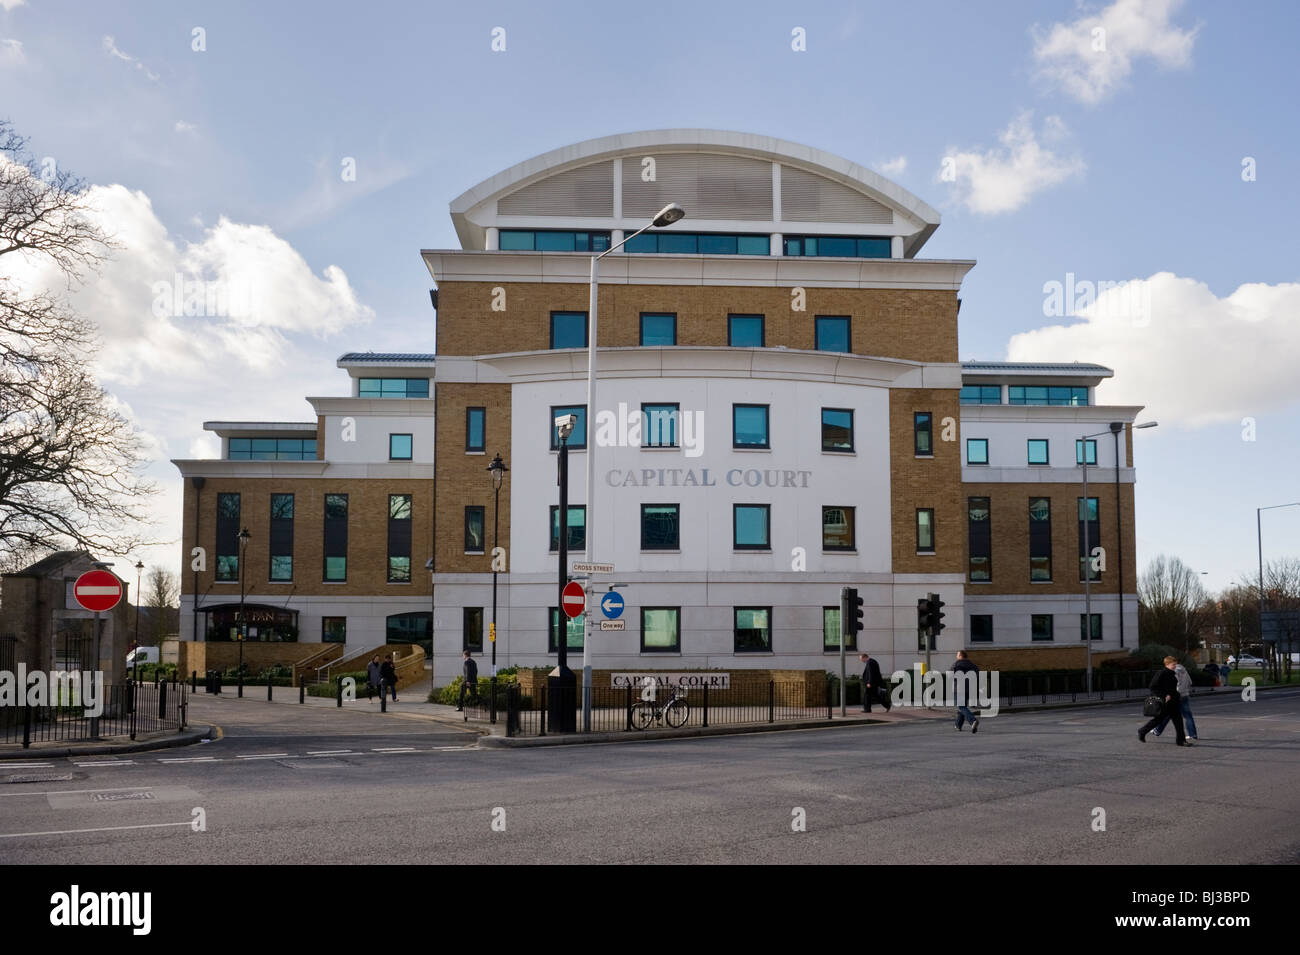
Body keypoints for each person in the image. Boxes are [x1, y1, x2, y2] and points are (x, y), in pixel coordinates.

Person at [1139, 656, 1187, 746]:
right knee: (1158, 720)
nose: (1175, 666)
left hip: (1174, 701)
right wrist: (1164, 695)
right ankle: (1142, 731)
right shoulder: (1161, 673)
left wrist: (1176, 694)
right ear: (1167, 664)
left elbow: (1171, 688)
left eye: (1175, 664)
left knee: (1178, 721)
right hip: (1165, 702)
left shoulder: (1172, 673)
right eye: (1173, 664)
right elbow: (1153, 687)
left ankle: (1181, 741)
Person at [1153, 661, 1198, 742]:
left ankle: (1158, 730)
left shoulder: (1174, 671)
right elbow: (1190, 682)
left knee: (1168, 714)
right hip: (1185, 695)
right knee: (1188, 716)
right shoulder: (1184, 670)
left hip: (1175, 696)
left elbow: (1174, 683)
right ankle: (1193, 734)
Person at [951, 649, 980, 733]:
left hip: (959, 688)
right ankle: (958, 725)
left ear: (960, 656)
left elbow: (950, 674)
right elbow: (978, 675)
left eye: (957, 655)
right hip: (969, 689)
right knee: (962, 707)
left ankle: (973, 720)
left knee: (961, 706)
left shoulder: (956, 664)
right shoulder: (972, 665)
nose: (956, 656)